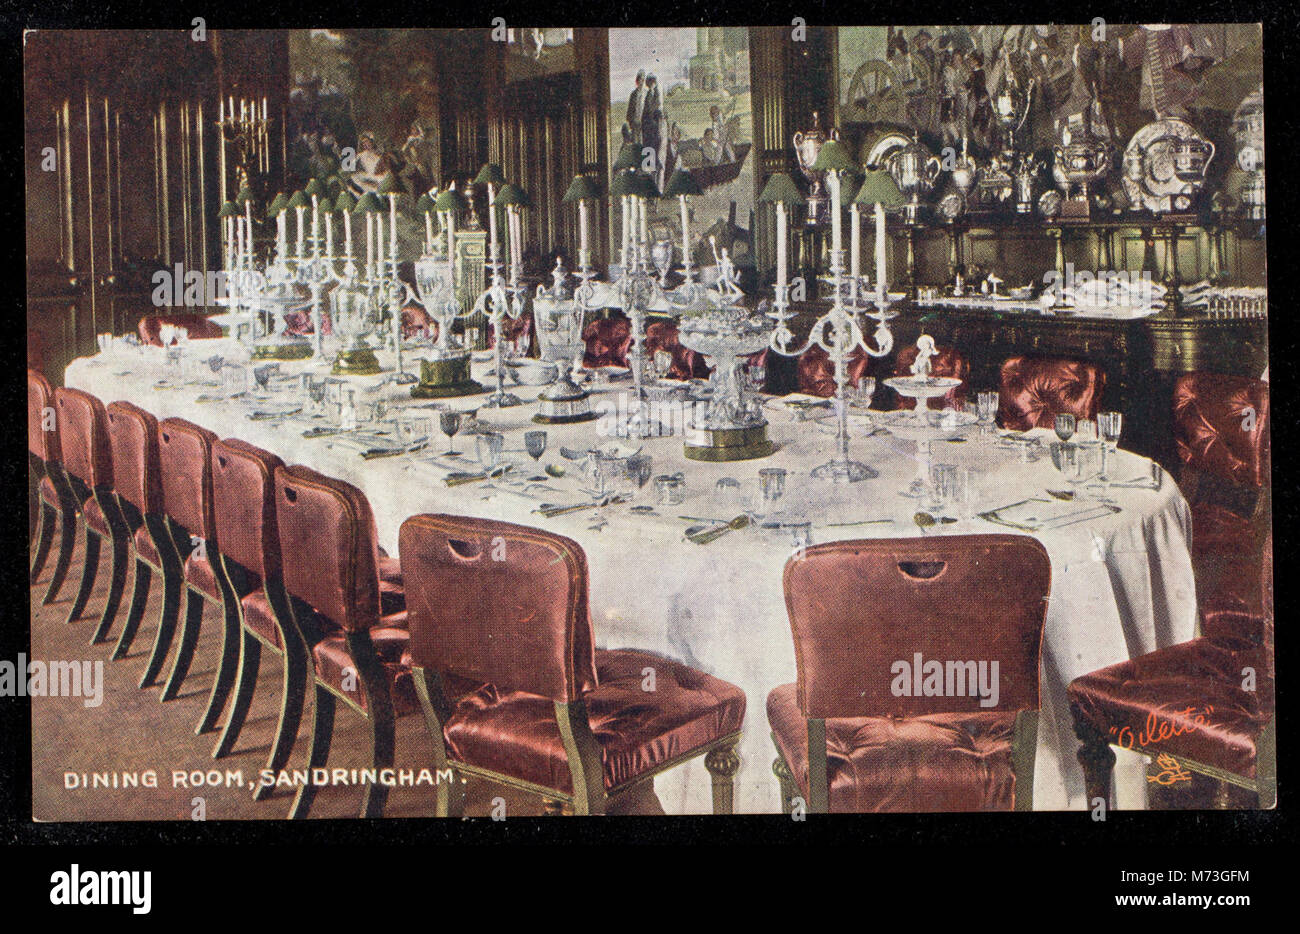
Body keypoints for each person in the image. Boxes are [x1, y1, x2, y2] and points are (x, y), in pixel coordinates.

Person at [626, 70, 647, 145]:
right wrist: (630, 122)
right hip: (635, 122)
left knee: (643, 143)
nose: (641, 82)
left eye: (643, 80)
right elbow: (630, 109)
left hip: (644, 123)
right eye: (640, 80)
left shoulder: (646, 93)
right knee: (635, 143)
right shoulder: (633, 94)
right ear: (637, 82)